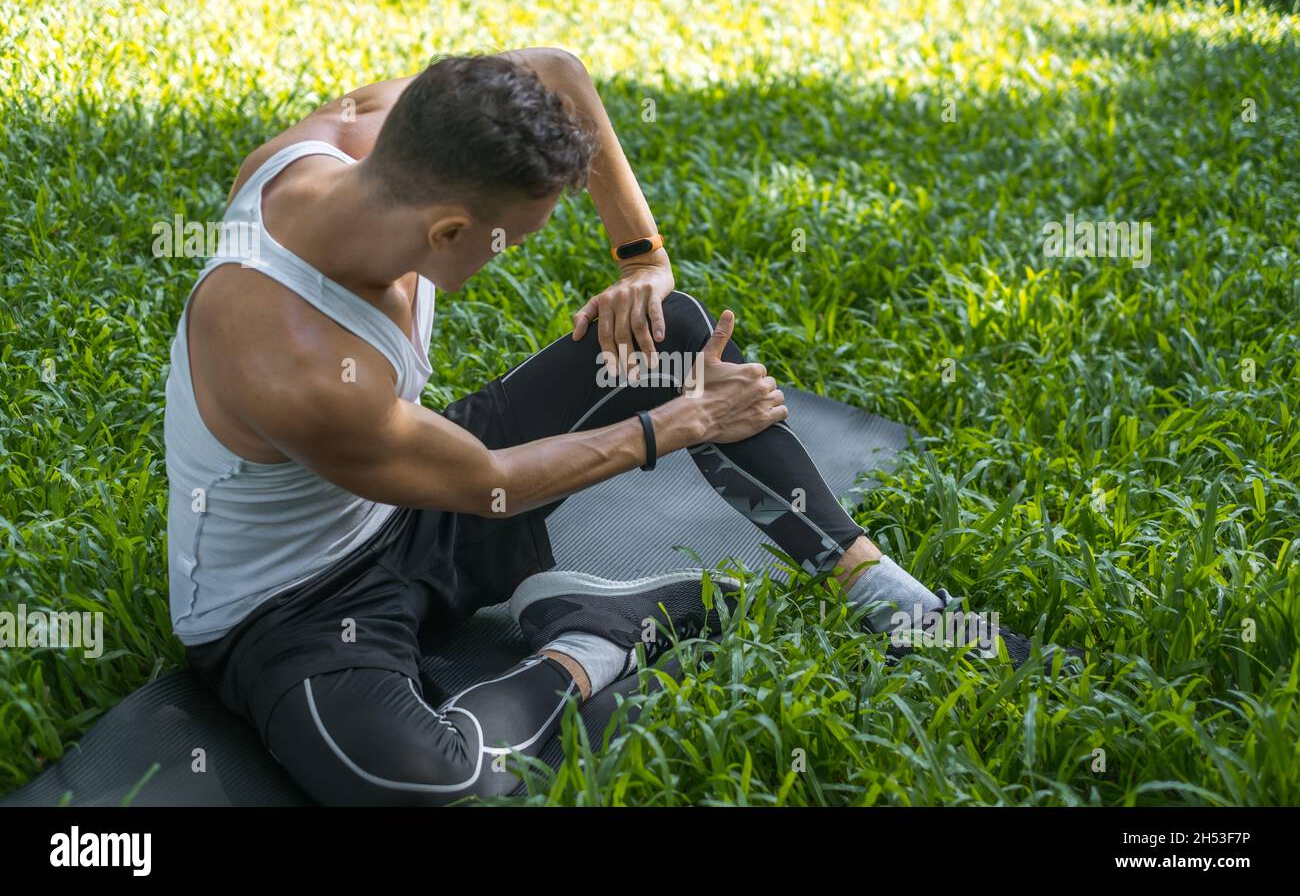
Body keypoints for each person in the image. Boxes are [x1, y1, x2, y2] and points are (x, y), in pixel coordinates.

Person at [165, 49, 1076, 806]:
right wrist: (681, 425)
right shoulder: (292, 357)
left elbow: (557, 75)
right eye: (512, 239)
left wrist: (642, 258)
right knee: (421, 785)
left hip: (418, 485)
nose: (515, 253)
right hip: (296, 604)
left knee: (672, 335)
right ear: (449, 231)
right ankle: (590, 641)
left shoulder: (388, 133)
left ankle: (885, 595)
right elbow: (492, 481)